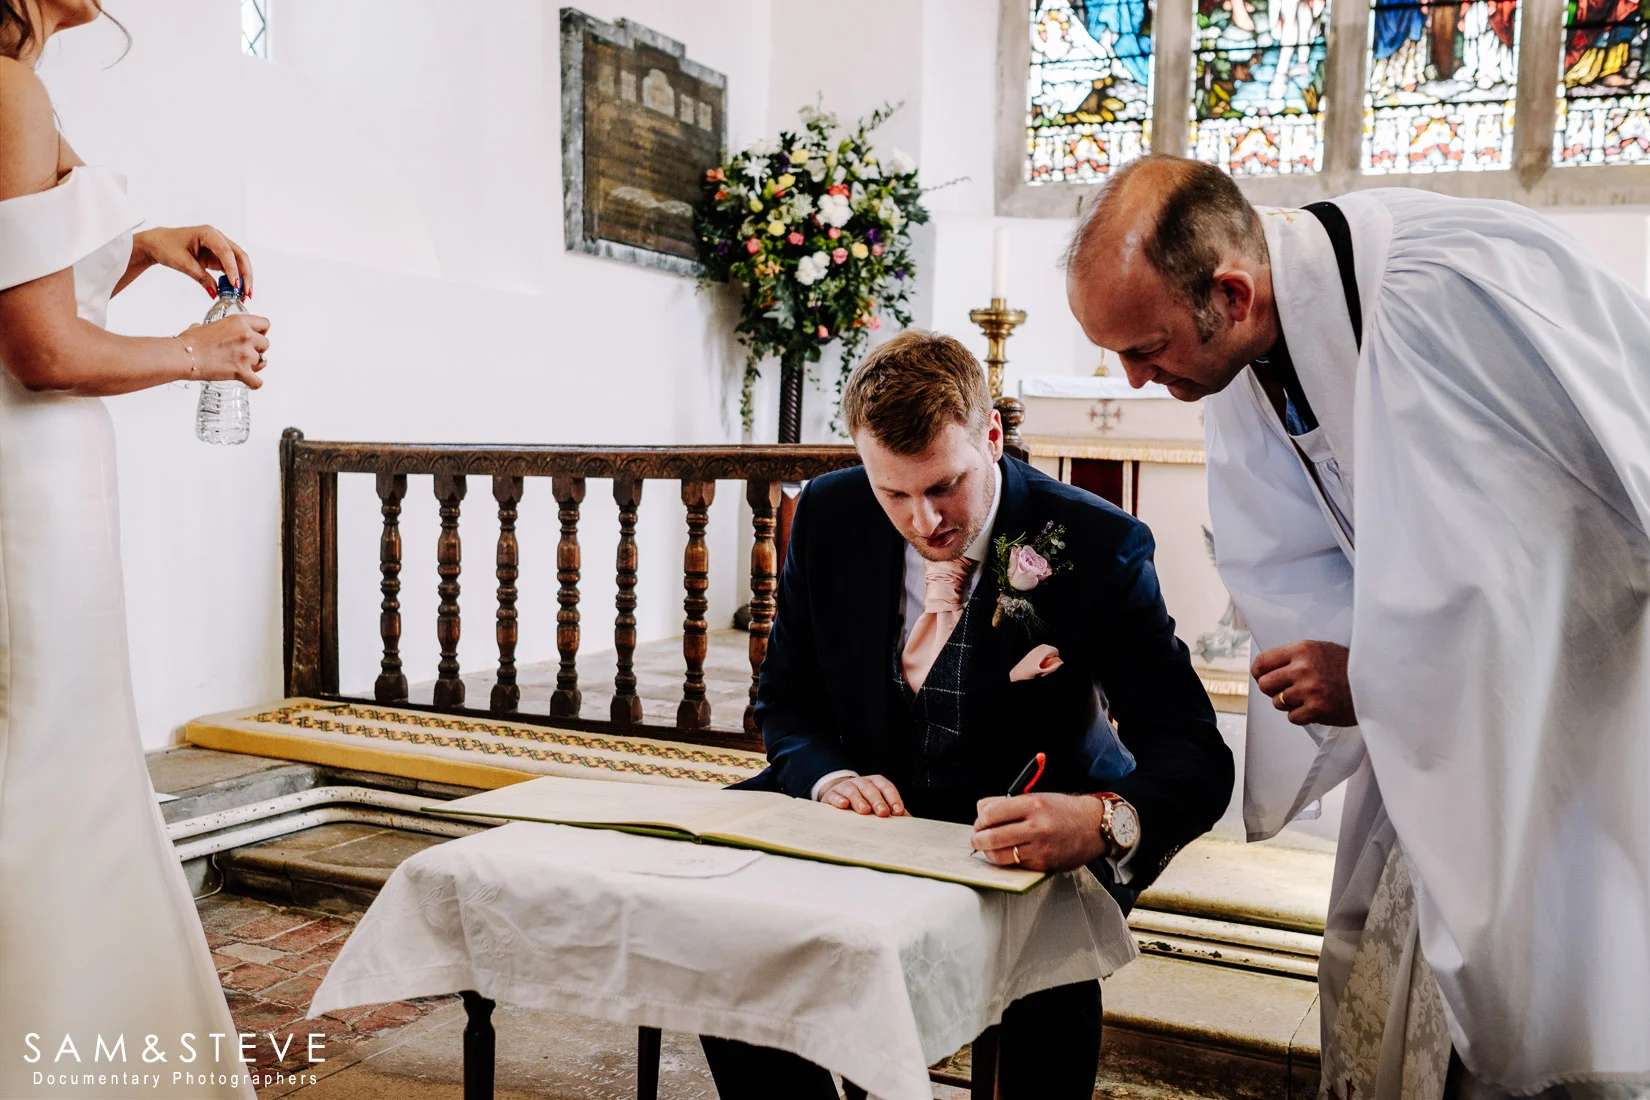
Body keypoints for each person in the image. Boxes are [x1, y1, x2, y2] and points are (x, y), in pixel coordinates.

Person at [1063, 153, 1650, 1099]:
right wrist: (1369, 665)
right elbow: (1307, 542)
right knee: (1384, 977)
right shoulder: (1253, 345)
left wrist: (1373, 671)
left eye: (1147, 347)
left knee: (1556, 993)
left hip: (1577, 719)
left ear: (1231, 294)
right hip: (1439, 720)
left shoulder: (1437, 300)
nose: (1134, 378)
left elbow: (1561, 562)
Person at [700, 330, 1234, 1100]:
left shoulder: (1093, 543)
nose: (924, 521)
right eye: (894, 493)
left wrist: (1101, 819)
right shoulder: (830, 512)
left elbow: (1193, 749)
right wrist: (829, 776)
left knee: (1050, 982)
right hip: (873, 816)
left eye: (945, 485)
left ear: (991, 437)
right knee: (730, 944)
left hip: (1033, 827)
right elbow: (787, 699)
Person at [0, 3, 270, 1096]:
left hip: (35, 469)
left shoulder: (19, 91)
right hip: (30, 472)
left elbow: (29, 285)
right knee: (48, 753)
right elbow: (43, 350)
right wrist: (201, 352)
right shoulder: (9, 90)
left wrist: (140, 244)